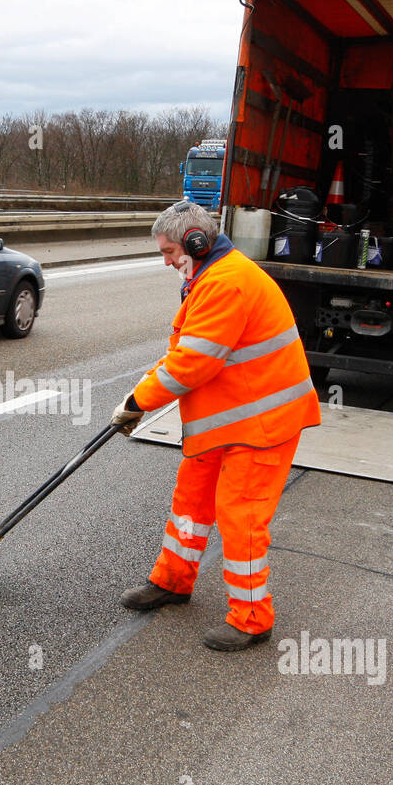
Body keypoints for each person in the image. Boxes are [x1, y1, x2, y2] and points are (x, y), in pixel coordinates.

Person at [112, 201, 321, 650]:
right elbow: (183, 352)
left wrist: (138, 402)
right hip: (228, 419)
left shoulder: (226, 284)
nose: (166, 260)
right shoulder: (207, 277)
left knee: (241, 517)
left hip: (261, 424)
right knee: (191, 499)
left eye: (169, 251)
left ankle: (251, 618)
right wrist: (139, 391)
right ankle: (173, 580)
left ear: (195, 242)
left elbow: (192, 365)